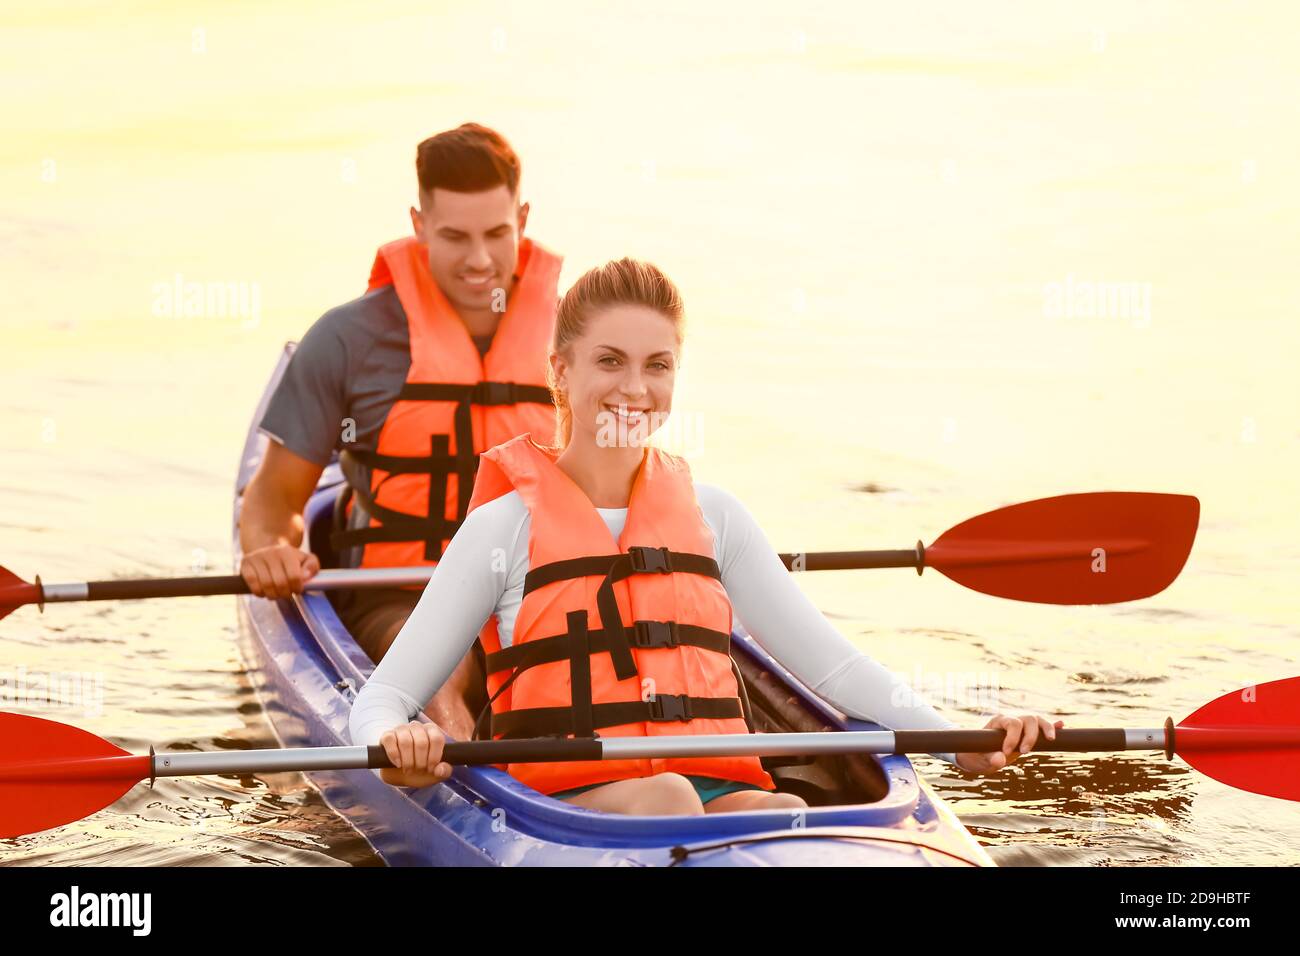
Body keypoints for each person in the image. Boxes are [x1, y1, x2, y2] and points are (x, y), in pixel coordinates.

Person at [349, 258, 1064, 816]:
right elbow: (379, 703)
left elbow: (838, 673)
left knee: (782, 807)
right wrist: (395, 742)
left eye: (657, 365)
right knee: (666, 798)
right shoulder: (503, 528)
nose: (635, 388)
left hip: (708, 794)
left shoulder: (716, 517)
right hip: (563, 807)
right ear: (560, 373)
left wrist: (955, 743)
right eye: (609, 361)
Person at [239, 124, 560, 741]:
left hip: (538, 591)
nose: (479, 260)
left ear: (522, 217)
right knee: (436, 662)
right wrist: (268, 549)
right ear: (419, 223)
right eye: (454, 236)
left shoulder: (573, 337)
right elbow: (273, 501)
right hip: (399, 593)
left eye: (497, 234)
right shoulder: (347, 340)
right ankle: (465, 777)